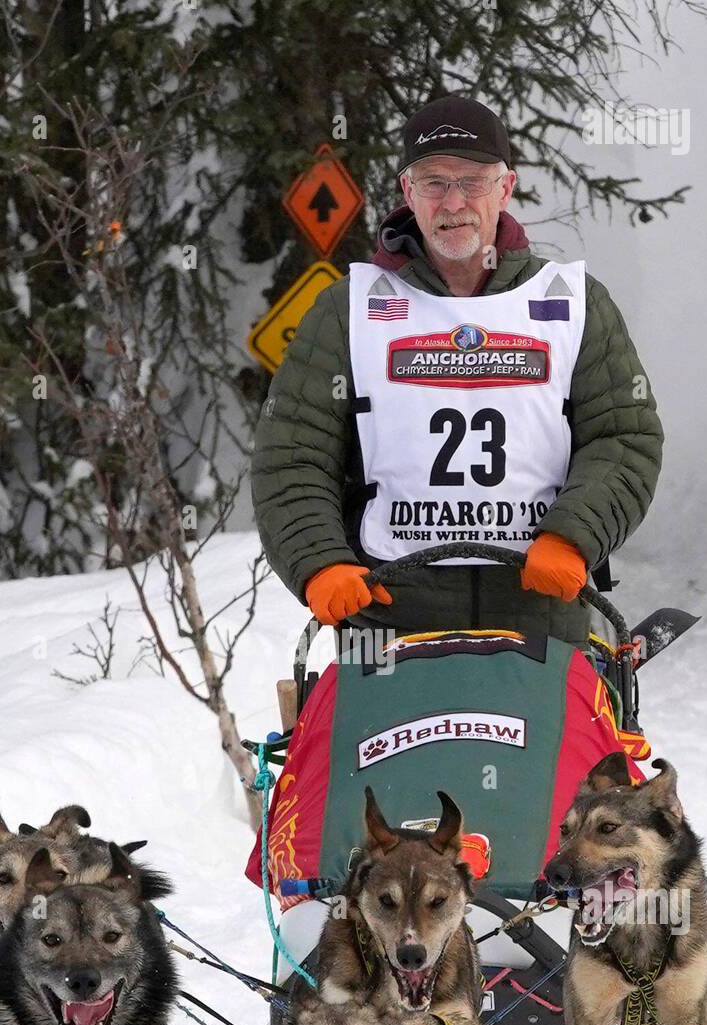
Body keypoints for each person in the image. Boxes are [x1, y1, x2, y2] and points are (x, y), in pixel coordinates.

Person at [251, 95, 663, 645]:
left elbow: (623, 437)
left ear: (505, 188)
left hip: (539, 613)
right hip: (388, 615)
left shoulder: (572, 303)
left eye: (472, 181)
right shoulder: (348, 309)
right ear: (407, 192)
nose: (454, 203)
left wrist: (573, 538)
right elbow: (292, 455)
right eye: (435, 182)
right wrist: (320, 563)